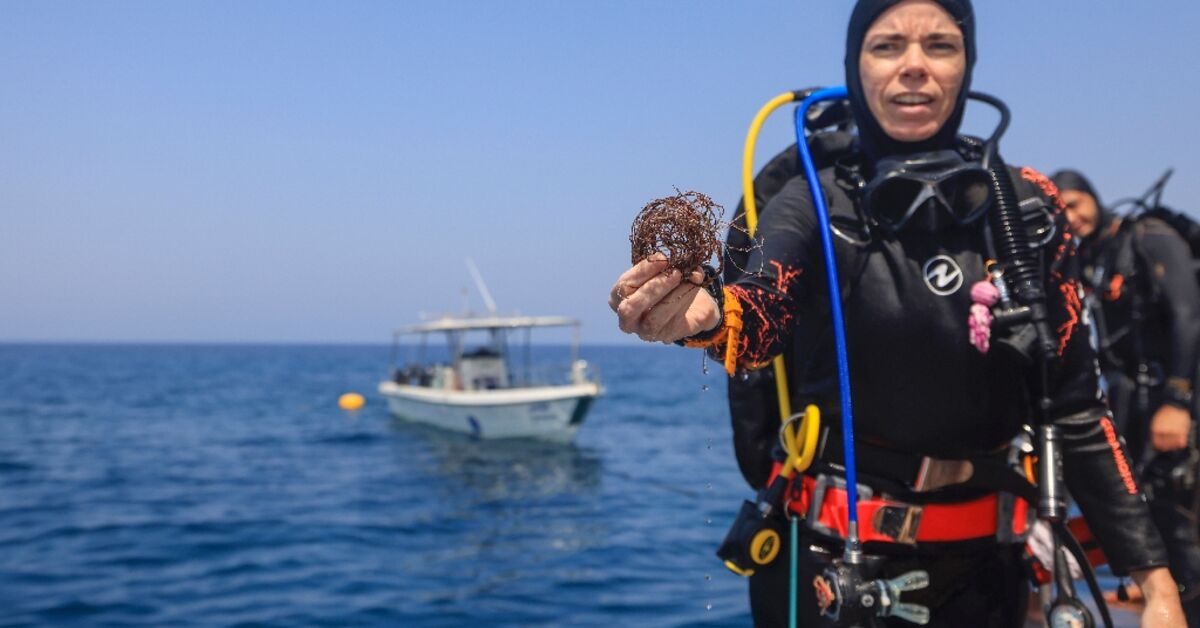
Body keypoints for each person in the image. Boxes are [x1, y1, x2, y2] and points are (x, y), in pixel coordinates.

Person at [608, 1, 1185, 626]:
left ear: (967, 65)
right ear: (855, 67)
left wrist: (1155, 582)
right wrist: (707, 316)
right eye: (887, 46)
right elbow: (759, 316)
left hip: (990, 569)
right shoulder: (810, 199)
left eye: (940, 45)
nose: (914, 65)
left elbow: (1076, 406)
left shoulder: (1027, 208)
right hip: (833, 567)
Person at [1054, 168, 1200, 624]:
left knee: (1184, 526)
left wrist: (1177, 402)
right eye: (1061, 211)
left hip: (1176, 405)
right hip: (1136, 411)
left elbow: (1188, 315)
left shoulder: (1149, 236)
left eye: (1076, 204)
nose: (1071, 217)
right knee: (1157, 518)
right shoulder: (1094, 257)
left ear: (1095, 197)